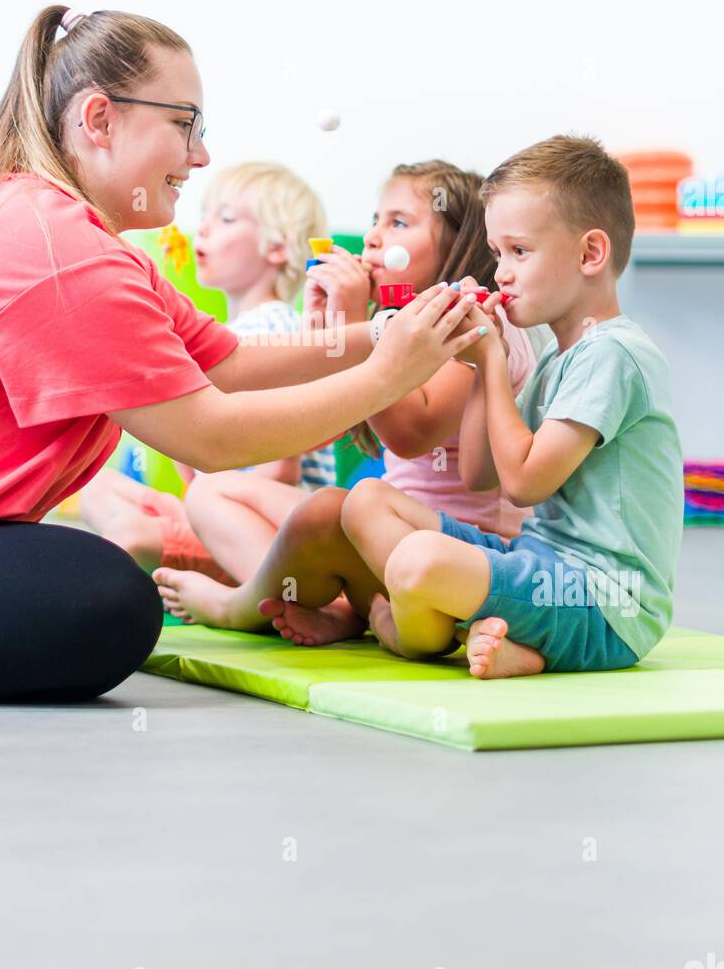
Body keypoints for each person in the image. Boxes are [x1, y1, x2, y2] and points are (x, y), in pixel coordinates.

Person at [0, 4, 486, 703]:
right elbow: (211, 435)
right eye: (184, 125)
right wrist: (386, 375)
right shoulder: (53, 249)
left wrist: (382, 335)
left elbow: (228, 362)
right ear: (98, 120)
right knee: (111, 603)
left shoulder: (76, 236)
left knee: (102, 589)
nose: (201, 155)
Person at [261, 136, 684, 680]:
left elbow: (524, 483)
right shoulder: (556, 349)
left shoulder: (613, 354)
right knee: (365, 500)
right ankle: (461, 630)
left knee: (417, 561)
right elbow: (479, 473)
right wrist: (488, 364)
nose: (501, 272)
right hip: (540, 564)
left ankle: (422, 632)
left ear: (589, 254)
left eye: (519, 252)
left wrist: (487, 350)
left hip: (604, 604)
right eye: (498, 252)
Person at [154, 158, 537, 631]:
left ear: (461, 245)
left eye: (398, 222)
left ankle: (244, 605)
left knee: (326, 509)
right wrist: (330, 332)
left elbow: (411, 435)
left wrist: (357, 324)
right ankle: (344, 610)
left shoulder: (476, 321)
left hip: (462, 554)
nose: (374, 237)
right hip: (383, 534)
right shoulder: (401, 326)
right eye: (376, 220)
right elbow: (321, 430)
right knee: (212, 493)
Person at [78, 161, 338, 578]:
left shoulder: (275, 329)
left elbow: (280, 471)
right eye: (205, 217)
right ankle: (185, 556)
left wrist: (204, 505)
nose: (205, 229)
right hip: (217, 513)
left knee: (133, 534)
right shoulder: (231, 336)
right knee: (97, 489)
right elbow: (195, 454)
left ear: (278, 248)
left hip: (271, 529)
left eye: (227, 218)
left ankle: (213, 567)